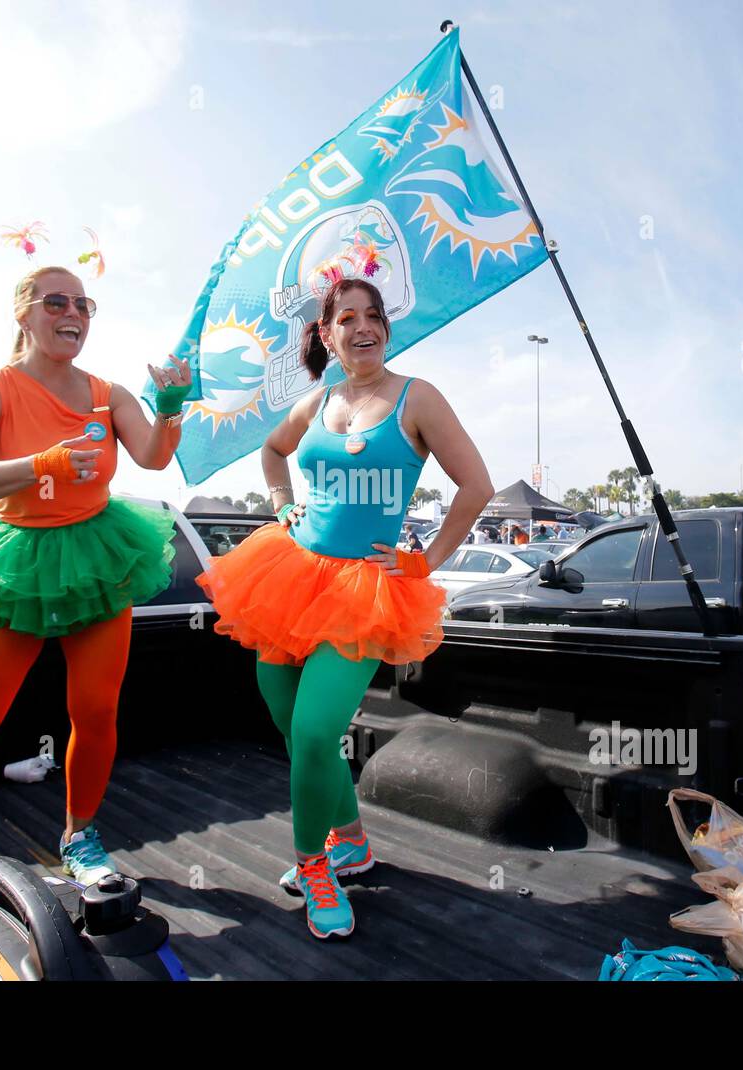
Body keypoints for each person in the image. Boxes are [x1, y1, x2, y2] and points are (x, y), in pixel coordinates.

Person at [195, 278, 494, 940]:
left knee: (311, 733)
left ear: (386, 327)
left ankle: (315, 867)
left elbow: (476, 486)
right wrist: (282, 503)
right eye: (348, 318)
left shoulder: (418, 397)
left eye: (374, 316)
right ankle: (351, 840)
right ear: (327, 335)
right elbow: (272, 451)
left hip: (363, 590)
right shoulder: (316, 400)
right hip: (288, 574)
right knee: (289, 725)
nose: (364, 327)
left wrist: (426, 561)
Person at [0, 265, 191, 892]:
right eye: (56, 301)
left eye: (83, 304)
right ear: (23, 312)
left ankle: (80, 836)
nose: (72, 313)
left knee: (96, 712)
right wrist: (40, 464)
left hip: (97, 558)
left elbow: (153, 457)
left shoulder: (108, 394)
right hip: (13, 563)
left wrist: (168, 409)